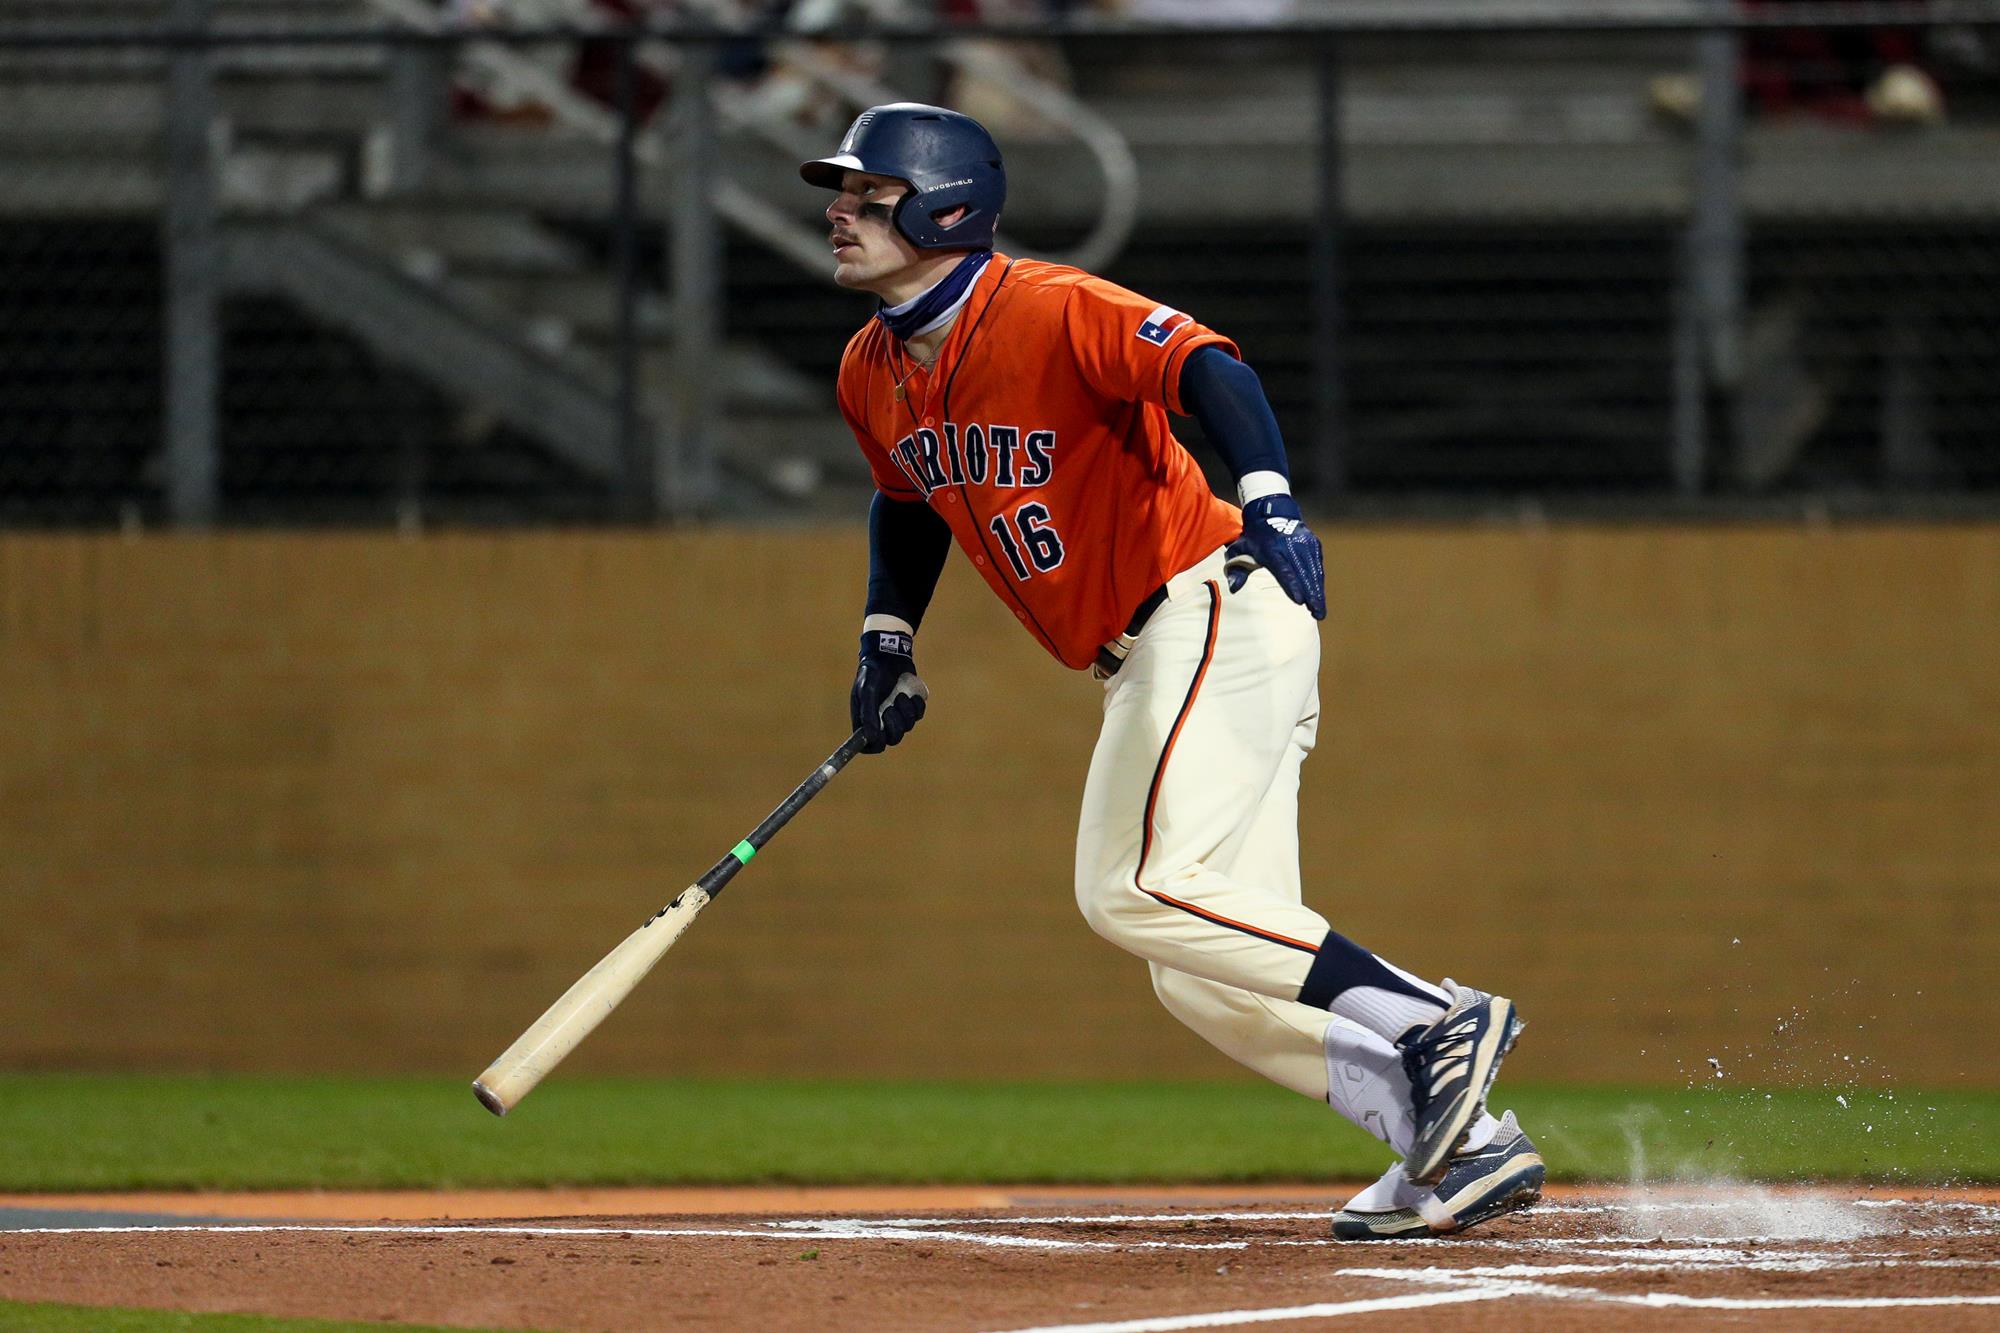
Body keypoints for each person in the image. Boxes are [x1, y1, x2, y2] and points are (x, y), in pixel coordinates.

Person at [802, 103, 1543, 1239]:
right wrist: (884, 635)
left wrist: (1269, 495)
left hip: (1209, 603)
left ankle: (1427, 1018)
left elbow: (1203, 364)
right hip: (1151, 650)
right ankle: (1462, 1146)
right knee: (1198, 969)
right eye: (840, 194)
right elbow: (908, 500)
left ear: (948, 204)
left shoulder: (1046, 305)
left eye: (867, 193)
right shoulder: (870, 368)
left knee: (1132, 887)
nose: (839, 212)